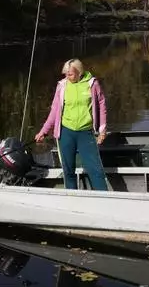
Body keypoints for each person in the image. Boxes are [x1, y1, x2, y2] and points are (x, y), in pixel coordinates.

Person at [35, 59, 109, 191]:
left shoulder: (92, 84)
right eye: (65, 74)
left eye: (70, 74)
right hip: (66, 133)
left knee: (95, 170)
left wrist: (102, 129)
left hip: (85, 133)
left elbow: (101, 106)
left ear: (79, 72)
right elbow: (54, 111)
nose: (67, 77)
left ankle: (103, 198)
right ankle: (72, 199)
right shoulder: (62, 86)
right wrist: (43, 131)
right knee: (68, 170)